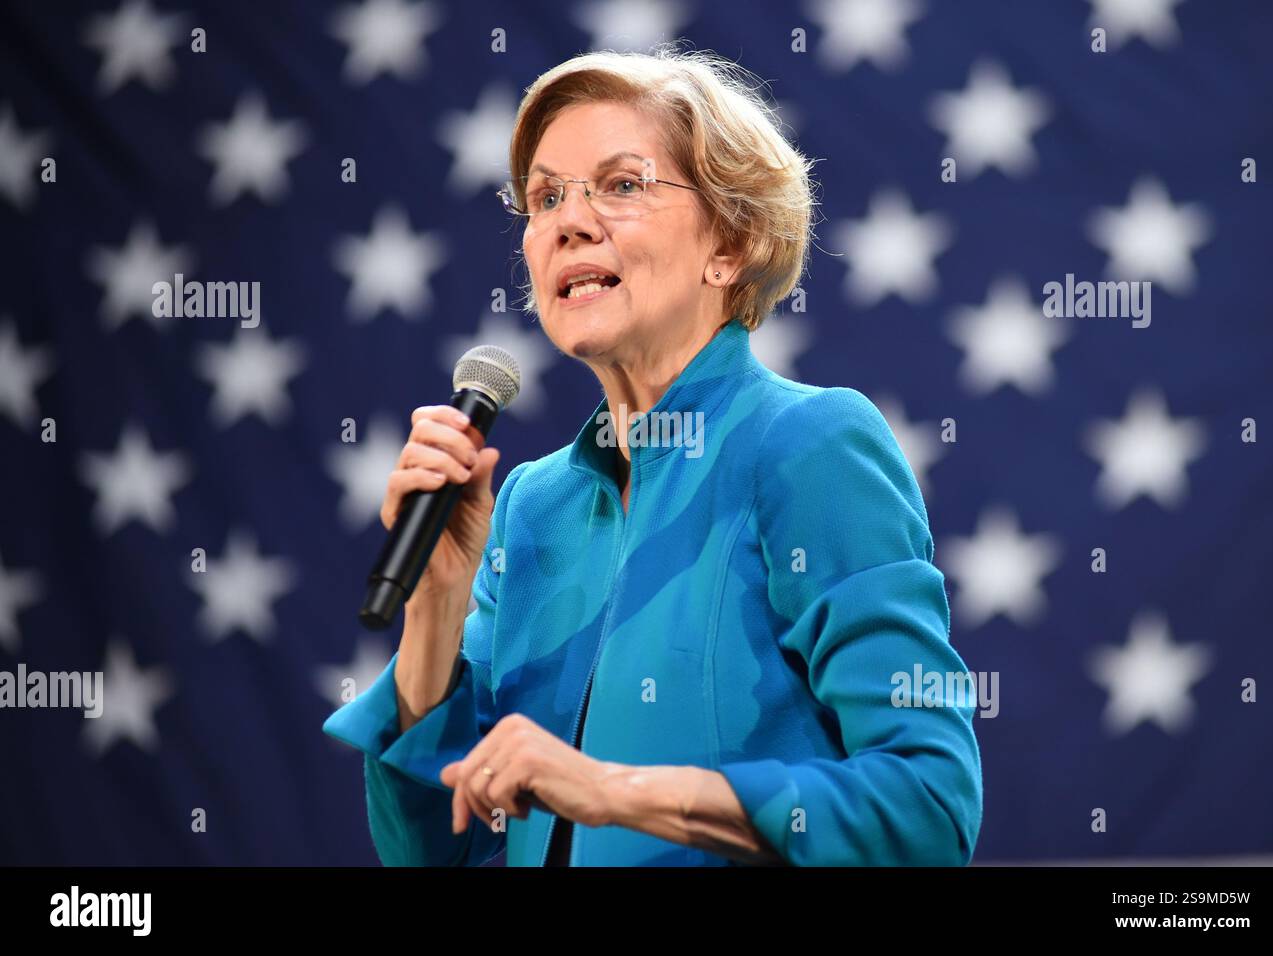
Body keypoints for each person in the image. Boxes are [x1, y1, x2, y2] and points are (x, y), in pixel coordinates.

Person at [323, 44, 982, 866]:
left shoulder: (809, 447)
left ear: (731, 243)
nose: (569, 220)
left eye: (623, 184)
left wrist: (615, 791)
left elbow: (928, 809)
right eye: (544, 197)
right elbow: (433, 852)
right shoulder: (530, 507)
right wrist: (434, 607)